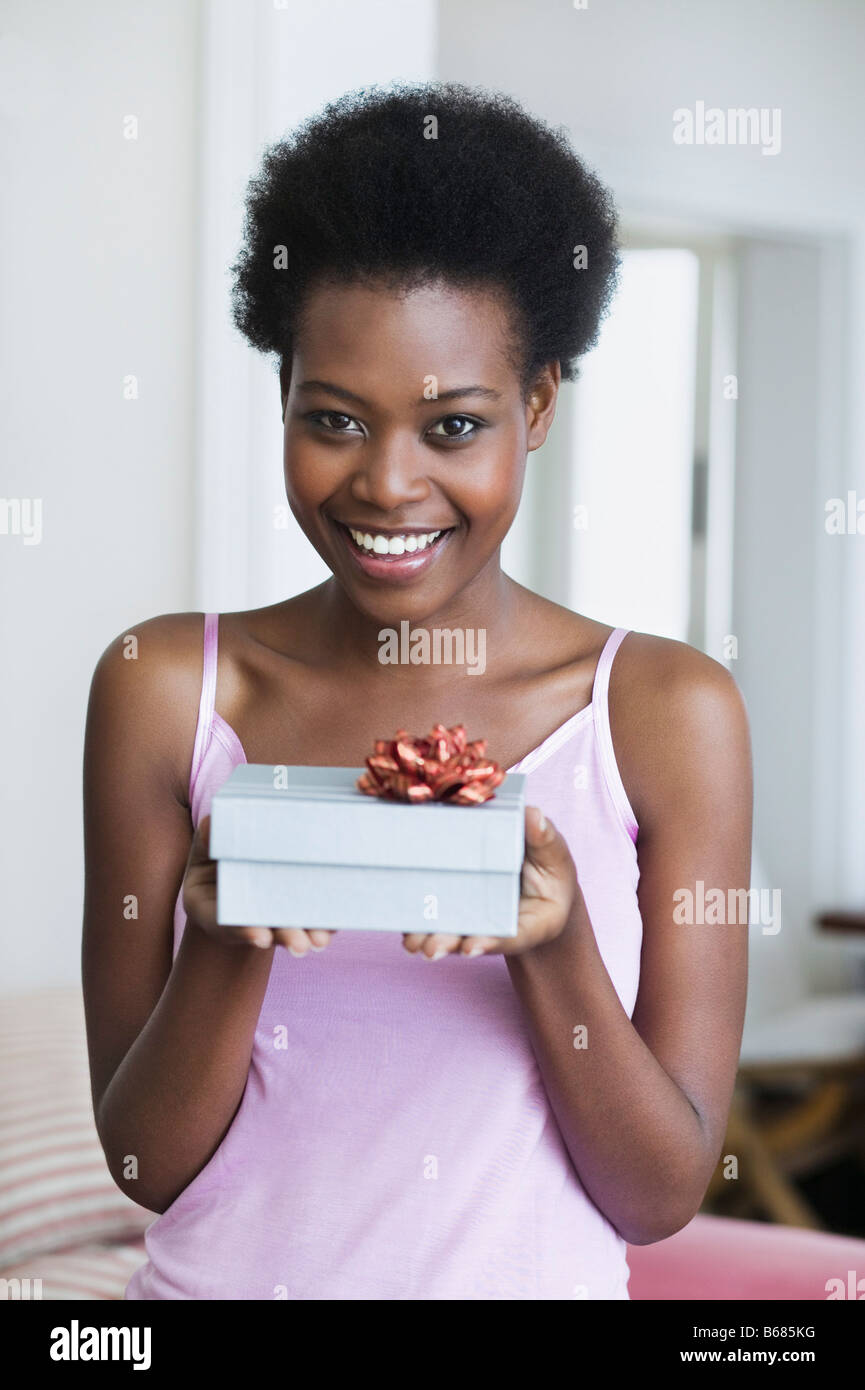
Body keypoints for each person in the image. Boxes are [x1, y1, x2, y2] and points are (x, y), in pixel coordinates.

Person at [82, 82, 752, 1300]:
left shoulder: (663, 710)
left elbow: (659, 1197)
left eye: (452, 427)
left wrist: (550, 952)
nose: (387, 485)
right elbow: (144, 1162)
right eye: (333, 418)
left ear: (537, 404)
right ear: (282, 393)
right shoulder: (167, 686)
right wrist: (229, 937)